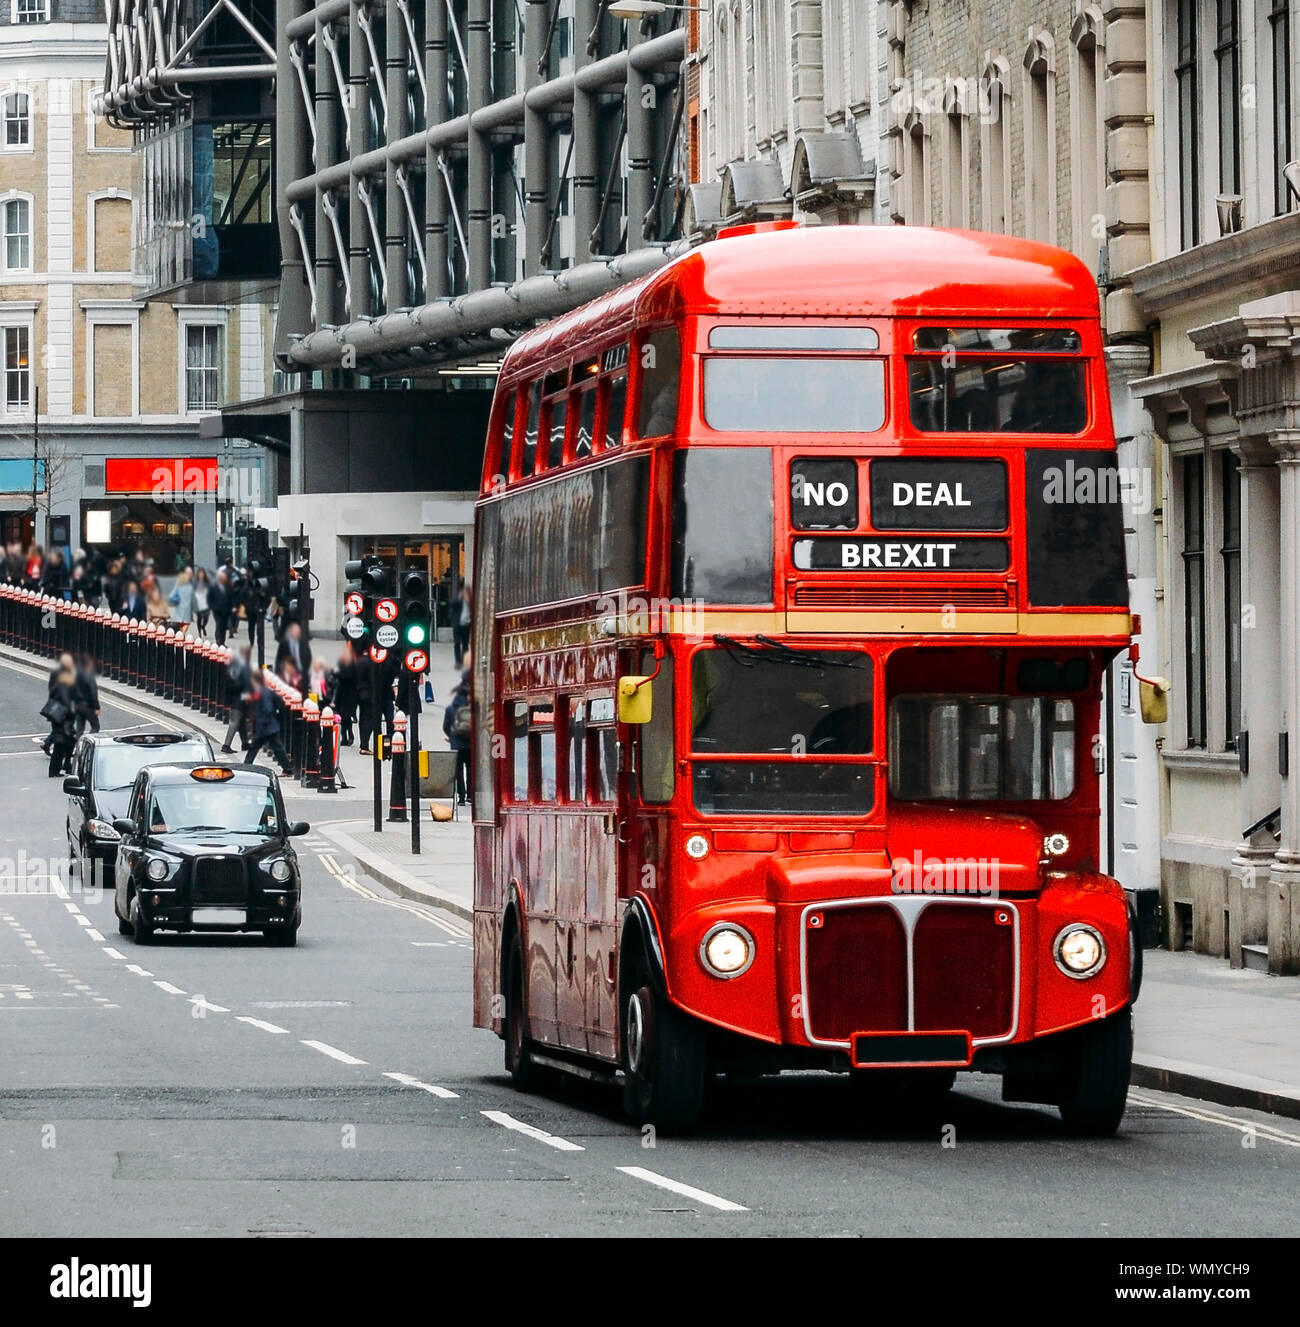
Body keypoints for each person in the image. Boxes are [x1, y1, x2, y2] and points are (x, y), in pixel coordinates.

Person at [243, 675, 292, 774]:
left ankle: (245, 766)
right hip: (268, 727)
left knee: (255, 747)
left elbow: (268, 708)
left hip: (265, 727)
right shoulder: (263, 692)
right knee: (277, 748)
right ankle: (288, 769)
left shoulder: (263, 693)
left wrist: (263, 722)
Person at [41, 656, 78, 777]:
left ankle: (66, 765)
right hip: (61, 716)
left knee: (70, 740)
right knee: (60, 743)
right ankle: (54, 770)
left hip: (64, 716)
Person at [442, 670, 472, 805]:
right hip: (471, 743)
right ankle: (470, 795)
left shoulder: (451, 708)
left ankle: (461, 797)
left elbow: (445, 726)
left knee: (458, 771)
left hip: (457, 743)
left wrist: (452, 736)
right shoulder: (474, 706)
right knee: (471, 769)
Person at [221, 646, 253, 754]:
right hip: (238, 701)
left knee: (241, 722)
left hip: (238, 699)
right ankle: (226, 745)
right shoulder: (237, 671)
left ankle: (245, 743)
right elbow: (239, 685)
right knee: (235, 722)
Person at [332, 642, 358, 746]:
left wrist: (337, 674)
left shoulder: (352, 664)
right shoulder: (342, 662)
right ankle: (344, 736)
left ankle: (350, 735)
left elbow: (349, 677)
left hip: (350, 693)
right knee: (342, 716)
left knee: (346, 715)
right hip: (342, 692)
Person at [73, 654, 100, 735]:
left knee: (79, 729)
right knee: (95, 726)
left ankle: (77, 746)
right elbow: (93, 693)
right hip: (87, 706)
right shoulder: (89, 676)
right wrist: (96, 707)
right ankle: (88, 744)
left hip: (77, 705)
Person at [209, 568, 232, 645]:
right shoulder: (214, 587)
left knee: (224, 626)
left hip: (226, 610)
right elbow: (209, 597)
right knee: (219, 624)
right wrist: (212, 606)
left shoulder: (228, 587)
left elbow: (231, 597)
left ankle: (222, 641)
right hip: (217, 610)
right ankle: (218, 640)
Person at [452, 580, 472, 668]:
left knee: (465, 644)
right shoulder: (458, 598)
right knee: (457, 643)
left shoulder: (469, 600)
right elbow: (452, 605)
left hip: (466, 625)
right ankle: (458, 661)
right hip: (457, 624)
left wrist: (467, 599)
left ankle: (465, 660)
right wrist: (460, 597)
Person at [192, 567, 211, 636]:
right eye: (200, 574)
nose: (201, 575)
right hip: (198, 603)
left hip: (206, 602)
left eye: (202, 574)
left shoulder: (207, 582)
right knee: (199, 617)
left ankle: (203, 626)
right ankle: (199, 631)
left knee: (206, 617)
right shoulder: (195, 582)